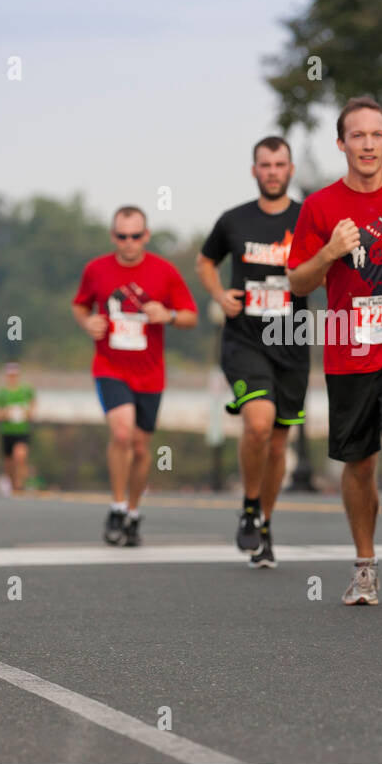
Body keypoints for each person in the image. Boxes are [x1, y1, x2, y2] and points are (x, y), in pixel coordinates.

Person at [287, 96, 382, 606]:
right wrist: (330, 251)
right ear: (342, 143)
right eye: (357, 135)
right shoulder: (320, 206)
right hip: (346, 352)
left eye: (376, 135)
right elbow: (297, 279)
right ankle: (365, 566)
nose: (368, 144)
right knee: (358, 464)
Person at [196, 136, 308, 568]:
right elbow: (206, 261)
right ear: (254, 171)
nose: (273, 171)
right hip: (245, 339)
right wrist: (219, 293)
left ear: (290, 169)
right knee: (258, 424)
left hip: (293, 340)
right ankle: (247, 505)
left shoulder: (307, 218)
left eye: (280, 164)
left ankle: (263, 522)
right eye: (265, 164)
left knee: (279, 446)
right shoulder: (234, 221)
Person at [71, 206, 199, 546]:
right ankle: (115, 507)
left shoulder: (164, 272)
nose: (129, 243)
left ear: (146, 235)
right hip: (110, 367)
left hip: (150, 374)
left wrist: (168, 315)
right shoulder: (96, 270)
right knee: (122, 431)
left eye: (136, 236)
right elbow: (80, 304)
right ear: (113, 236)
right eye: (122, 236)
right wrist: (88, 323)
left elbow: (191, 316)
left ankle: (132, 511)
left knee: (141, 449)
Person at [0, 363, 35, 493]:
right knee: (9, 462)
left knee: (20, 456)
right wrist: (5, 414)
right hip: (7, 431)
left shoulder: (26, 390)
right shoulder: (2, 393)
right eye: (10, 375)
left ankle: (19, 484)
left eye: (15, 375)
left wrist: (29, 413)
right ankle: (11, 484)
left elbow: (33, 403)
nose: (12, 377)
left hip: (22, 430)